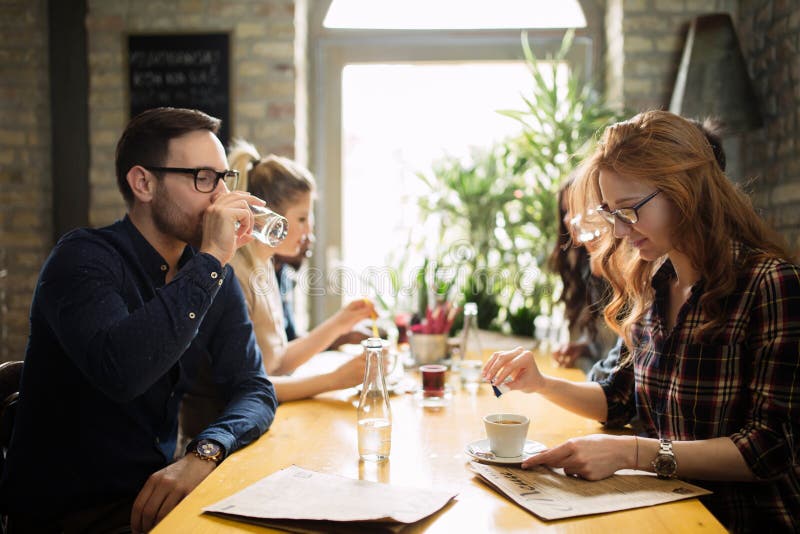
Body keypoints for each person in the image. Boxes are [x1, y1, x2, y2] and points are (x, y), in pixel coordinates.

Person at [483, 110, 800, 531]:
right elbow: (618, 398)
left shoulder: (770, 284)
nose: (618, 229)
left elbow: (769, 447)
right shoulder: (653, 282)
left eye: (629, 210)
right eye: (611, 213)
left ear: (685, 192)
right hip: (663, 513)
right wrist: (541, 383)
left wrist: (632, 453)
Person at [0, 108, 277, 533]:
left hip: (154, 505)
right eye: (204, 178)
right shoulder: (82, 260)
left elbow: (255, 389)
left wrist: (204, 452)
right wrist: (213, 259)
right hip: (66, 519)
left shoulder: (209, 274)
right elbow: (124, 372)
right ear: (143, 183)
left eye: (224, 179)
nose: (220, 197)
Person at [179, 138, 374, 441]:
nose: (310, 231)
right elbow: (247, 386)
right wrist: (335, 379)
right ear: (267, 216)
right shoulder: (233, 275)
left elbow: (277, 361)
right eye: (301, 218)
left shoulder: (266, 265)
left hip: (261, 424)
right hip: (221, 435)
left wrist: (340, 322)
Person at [547, 178, 615, 375]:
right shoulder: (585, 266)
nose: (568, 220)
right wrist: (583, 348)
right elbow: (610, 348)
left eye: (576, 209)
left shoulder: (621, 268)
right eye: (565, 212)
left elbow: (623, 360)